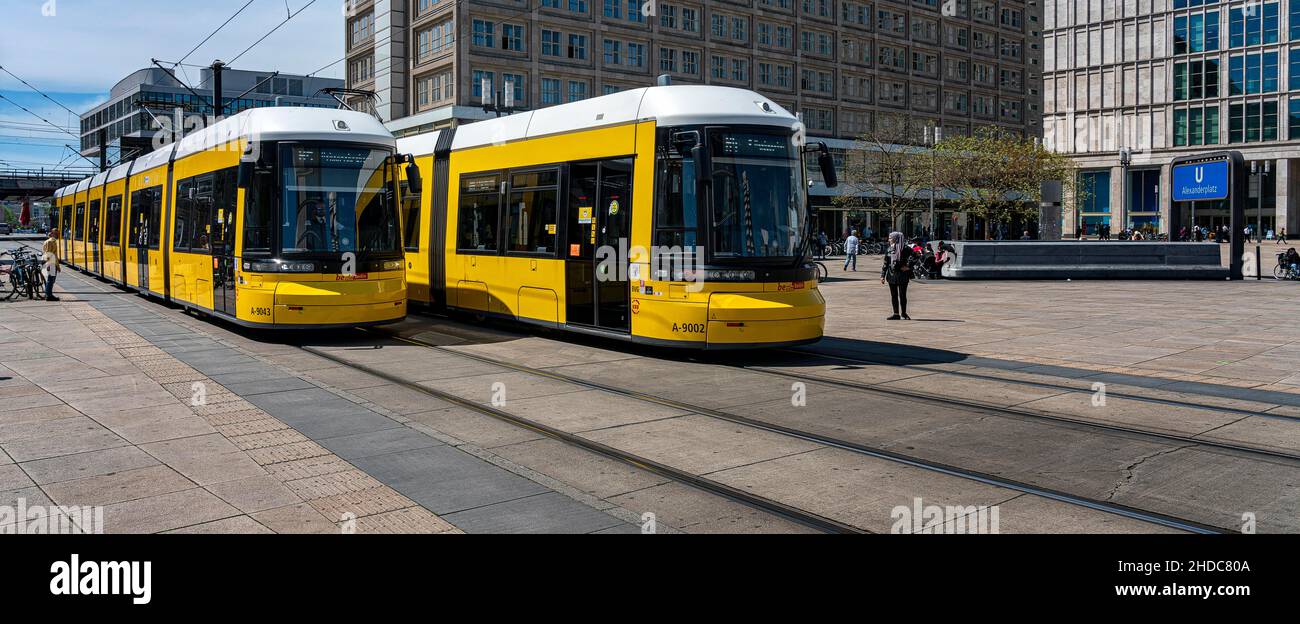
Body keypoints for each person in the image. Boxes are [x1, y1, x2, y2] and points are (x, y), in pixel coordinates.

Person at [881, 231, 913, 320]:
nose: (889, 239)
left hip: (902, 275)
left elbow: (916, 257)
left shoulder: (906, 249)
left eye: (890, 238)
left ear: (895, 239)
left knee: (902, 295)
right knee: (893, 295)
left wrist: (908, 267)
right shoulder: (889, 249)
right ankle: (896, 314)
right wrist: (882, 275)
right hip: (891, 275)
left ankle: (904, 313)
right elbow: (886, 263)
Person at [42, 227, 61, 302]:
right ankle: (49, 295)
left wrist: (58, 266)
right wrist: (49, 265)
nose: (57, 235)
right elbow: (48, 254)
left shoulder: (52, 241)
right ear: (52, 233)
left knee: (51, 280)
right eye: (56, 233)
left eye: (58, 233)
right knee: (50, 279)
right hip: (51, 263)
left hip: (53, 262)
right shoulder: (50, 242)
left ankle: (48, 294)